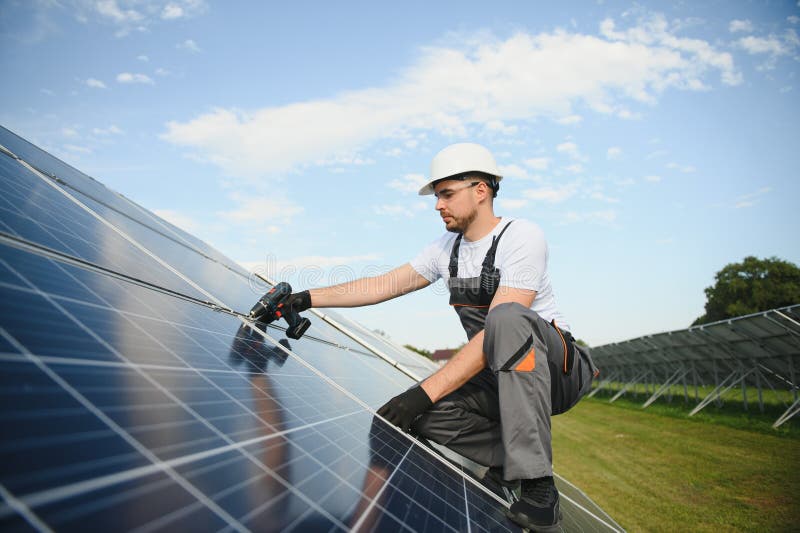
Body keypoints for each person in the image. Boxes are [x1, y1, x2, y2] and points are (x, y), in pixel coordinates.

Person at [279, 142, 598, 531]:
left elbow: (500, 327)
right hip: (499, 376)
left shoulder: (522, 237)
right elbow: (384, 284)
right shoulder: (446, 249)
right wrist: (308, 298)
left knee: (508, 318)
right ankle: (506, 462)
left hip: (555, 371)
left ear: (481, 190)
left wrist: (422, 390)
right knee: (422, 416)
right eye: (437, 196)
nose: (437, 205)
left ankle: (538, 484)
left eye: (446, 194)